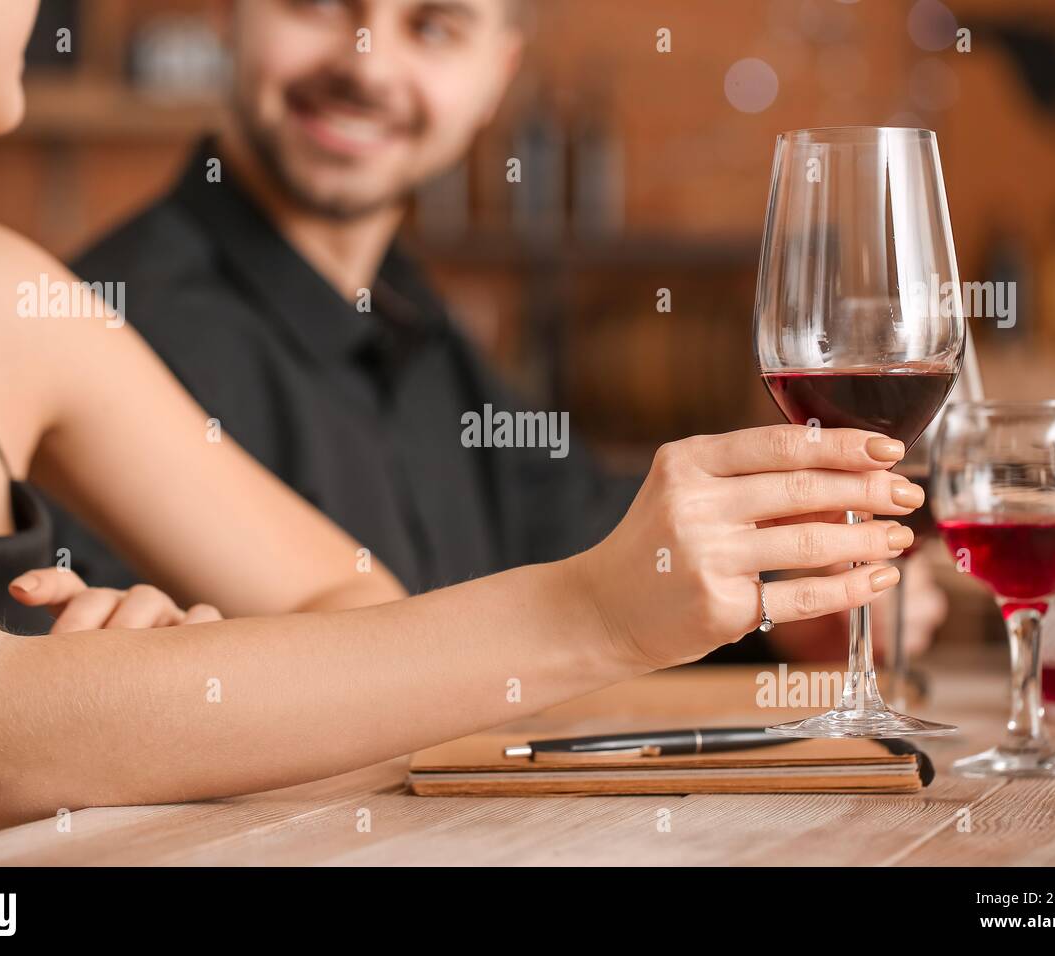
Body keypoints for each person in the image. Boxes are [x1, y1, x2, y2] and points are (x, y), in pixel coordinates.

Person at [0, 0, 923, 859]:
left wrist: (195, 689)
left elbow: (357, 608)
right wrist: (600, 608)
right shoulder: (129, 299)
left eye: (435, 24)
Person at [55, 0, 946, 663]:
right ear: (229, 16)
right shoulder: (95, 328)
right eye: (322, 4)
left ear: (495, 78)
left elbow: (593, 544)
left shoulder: (420, 322)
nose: (369, 66)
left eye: (435, 26)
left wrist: (790, 609)